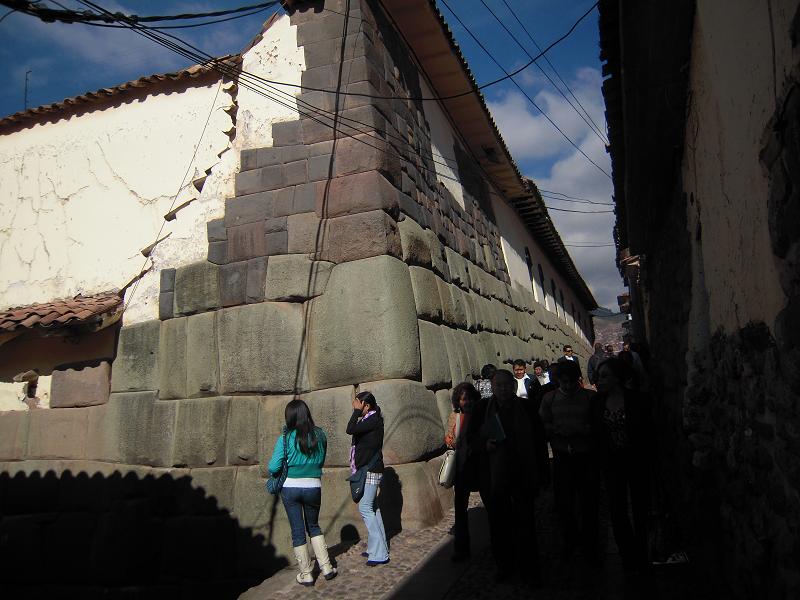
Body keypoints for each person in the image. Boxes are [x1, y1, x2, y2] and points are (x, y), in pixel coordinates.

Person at [475, 369, 544, 584]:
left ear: (513, 387)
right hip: (495, 476)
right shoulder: (482, 409)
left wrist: (543, 474)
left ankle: (529, 568)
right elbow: (471, 438)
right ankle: (504, 566)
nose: (503, 389)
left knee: (526, 524)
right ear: (492, 387)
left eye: (507, 385)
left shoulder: (527, 408)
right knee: (499, 526)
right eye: (499, 385)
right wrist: (484, 445)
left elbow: (540, 441)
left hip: (523, 473)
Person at [595, 357, 656, 571]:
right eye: (598, 376)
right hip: (612, 463)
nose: (598, 381)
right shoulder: (596, 404)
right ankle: (627, 552)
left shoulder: (639, 401)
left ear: (617, 378)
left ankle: (642, 549)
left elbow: (650, 434)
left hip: (636, 460)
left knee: (640, 506)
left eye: (604, 376)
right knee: (617, 509)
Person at [268, 399, 337, 586]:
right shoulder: (320, 435)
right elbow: (321, 460)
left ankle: (306, 574)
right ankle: (326, 567)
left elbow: (273, 466)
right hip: (313, 485)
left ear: (289, 417)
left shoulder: (285, 438)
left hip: (290, 488)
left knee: (298, 531)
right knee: (313, 526)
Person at [539, 360, 600, 564]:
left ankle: (590, 541)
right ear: (558, 381)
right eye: (563, 382)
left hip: (587, 456)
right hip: (562, 457)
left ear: (577, 380)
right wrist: (557, 431)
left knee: (589, 501)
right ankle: (570, 539)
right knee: (565, 503)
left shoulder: (590, 398)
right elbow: (542, 425)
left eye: (571, 382)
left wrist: (585, 430)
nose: (567, 386)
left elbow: (599, 424)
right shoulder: (549, 399)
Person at [346, 391, 389, 566]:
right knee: (373, 507)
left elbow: (350, 429)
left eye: (358, 403)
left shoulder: (372, 420)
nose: (355, 406)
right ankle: (377, 547)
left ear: (366, 405)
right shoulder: (370, 420)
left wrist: (356, 412)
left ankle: (380, 554)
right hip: (371, 468)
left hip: (371, 469)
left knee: (365, 508)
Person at [444, 382, 481, 562]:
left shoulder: (480, 415)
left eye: (469, 398)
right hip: (461, 468)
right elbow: (448, 438)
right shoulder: (454, 416)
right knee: (460, 509)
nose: (466, 402)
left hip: (480, 466)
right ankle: (461, 548)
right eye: (463, 399)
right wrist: (452, 442)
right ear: (458, 401)